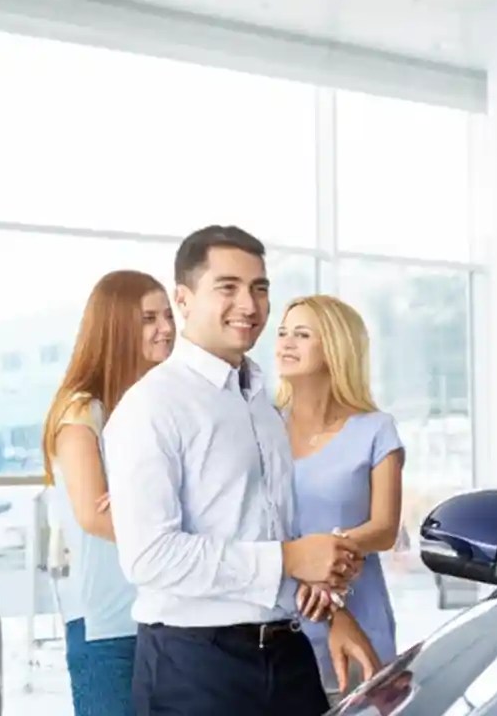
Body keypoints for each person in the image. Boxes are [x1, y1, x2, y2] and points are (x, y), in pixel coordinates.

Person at [103, 225, 380, 715]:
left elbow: (272, 527)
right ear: (184, 300)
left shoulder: (261, 400)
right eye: (227, 288)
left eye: (260, 288)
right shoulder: (152, 406)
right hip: (194, 666)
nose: (249, 306)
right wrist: (289, 559)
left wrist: (332, 611)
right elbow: (149, 557)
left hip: (286, 653)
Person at [40, 269, 175, 716]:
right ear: (116, 327)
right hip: (108, 626)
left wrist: (149, 509)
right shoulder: (83, 411)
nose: (167, 329)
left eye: (168, 316)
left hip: (166, 614)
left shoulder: (155, 406)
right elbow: (94, 514)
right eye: (149, 319)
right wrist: (170, 526)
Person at [275, 294, 406, 693]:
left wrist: (325, 561)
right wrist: (304, 562)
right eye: (282, 333)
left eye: (301, 334)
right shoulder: (261, 426)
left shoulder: (376, 429)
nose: (285, 343)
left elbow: (384, 529)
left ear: (335, 347)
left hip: (360, 615)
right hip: (280, 619)